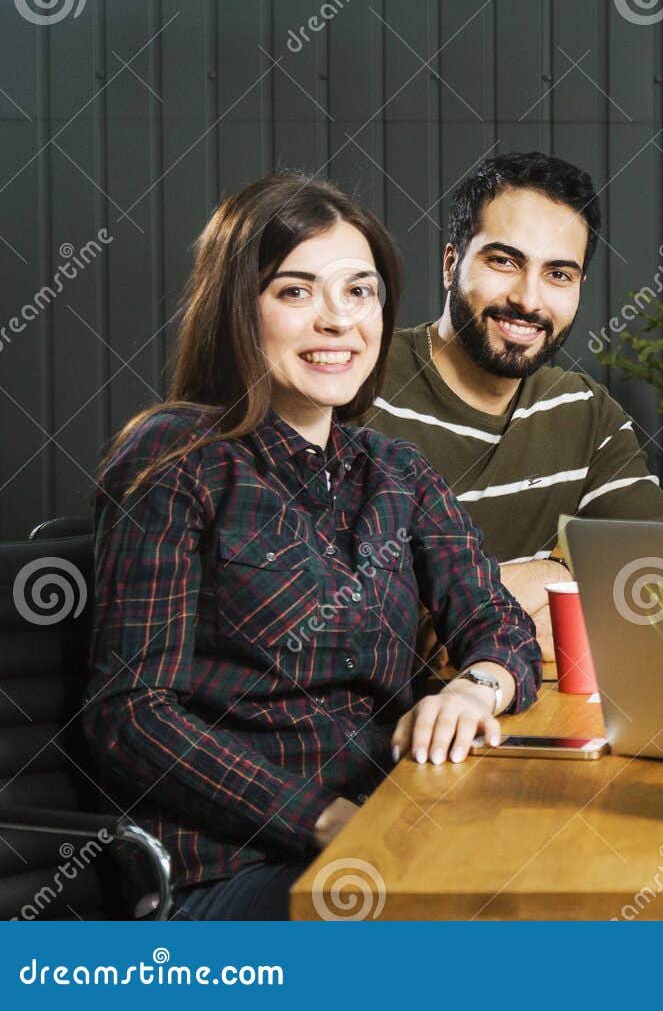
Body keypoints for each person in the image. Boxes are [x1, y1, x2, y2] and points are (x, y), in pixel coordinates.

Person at [85, 173, 542, 920]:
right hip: (228, 873)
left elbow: (500, 623)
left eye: (359, 292)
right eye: (295, 291)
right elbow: (131, 715)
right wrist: (329, 821)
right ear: (238, 310)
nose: (337, 320)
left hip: (396, 827)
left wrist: (476, 686)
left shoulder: (395, 472)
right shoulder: (174, 458)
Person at [363, 151, 663, 655]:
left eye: (559, 274)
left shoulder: (583, 412)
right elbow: (347, 613)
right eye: (504, 261)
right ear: (451, 264)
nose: (529, 301)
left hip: (519, 696)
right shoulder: (357, 386)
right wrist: (550, 580)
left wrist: (541, 580)